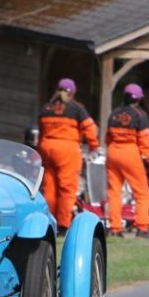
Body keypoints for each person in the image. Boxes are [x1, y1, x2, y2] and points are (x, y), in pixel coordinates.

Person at [36, 78, 99, 232]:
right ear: (73, 92)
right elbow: (90, 128)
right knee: (67, 188)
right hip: (67, 149)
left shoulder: (46, 107)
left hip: (46, 148)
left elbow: (40, 130)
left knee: (49, 188)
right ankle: (64, 225)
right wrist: (93, 146)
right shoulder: (76, 108)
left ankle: (48, 224)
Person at [105, 83, 149, 238]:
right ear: (139, 99)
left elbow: (107, 138)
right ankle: (142, 227)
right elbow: (145, 143)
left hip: (113, 152)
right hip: (130, 152)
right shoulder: (140, 115)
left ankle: (115, 228)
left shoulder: (114, 114)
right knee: (142, 193)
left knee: (114, 192)